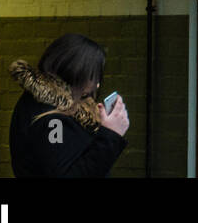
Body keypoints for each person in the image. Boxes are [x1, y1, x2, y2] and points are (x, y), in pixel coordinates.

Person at [9, 33, 130, 177]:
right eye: (94, 76)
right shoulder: (53, 121)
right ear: (78, 73)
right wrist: (111, 135)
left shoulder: (43, 105)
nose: (96, 85)